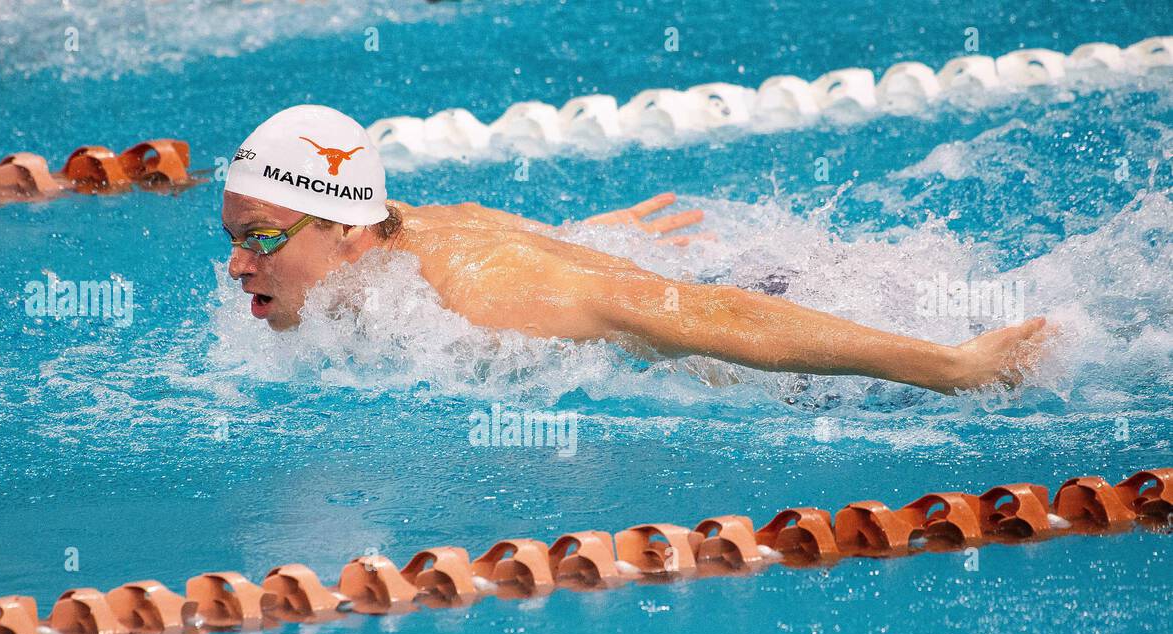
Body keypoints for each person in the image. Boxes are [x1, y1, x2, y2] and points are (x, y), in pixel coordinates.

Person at [222, 105, 1050, 394]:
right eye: (233, 239)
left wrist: (952, 368)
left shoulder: (482, 297)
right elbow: (463, 215)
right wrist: (589, 244)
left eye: (260, 239)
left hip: (806, 373)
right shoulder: (387, 234)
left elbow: (705, 313)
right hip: (750, 286)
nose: (237, 266)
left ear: (343, 231)